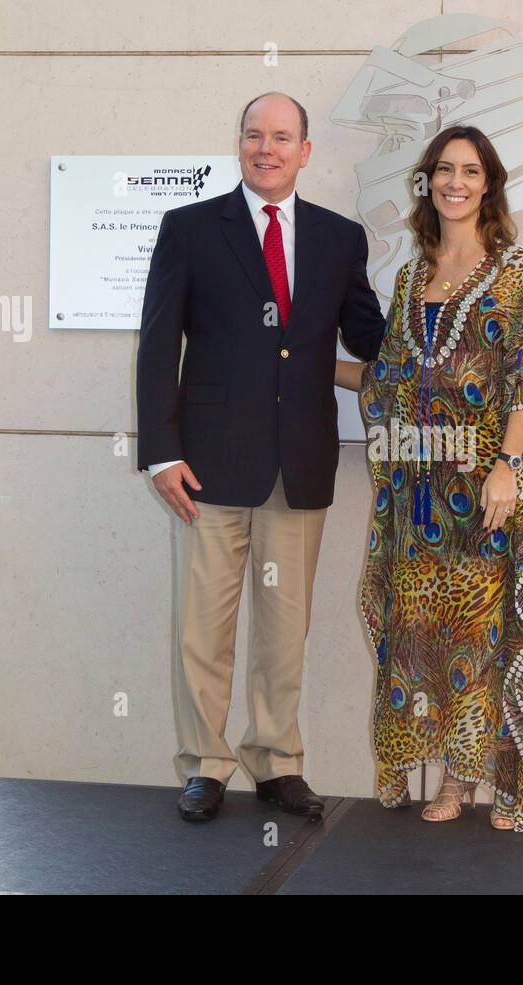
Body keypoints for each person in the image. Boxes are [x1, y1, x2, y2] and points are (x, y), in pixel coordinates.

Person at [136, 92, 386, 823]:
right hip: (207, 469)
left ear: (306, 151)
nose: (266, 148)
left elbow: (370, 340)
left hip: (299, 465)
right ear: (239, 144)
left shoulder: (341, 239)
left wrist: (440, 294)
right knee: (203, 630)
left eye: (281, 137)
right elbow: (158, 349)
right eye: (254, 135)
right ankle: (206, 766)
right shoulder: (189, 230)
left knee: (286, 629)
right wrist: (160, 454)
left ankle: (278, 763)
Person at [336, 125, 523, 832]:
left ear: (490, 184)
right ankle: (442, 768)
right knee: (420, 637)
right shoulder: (410, 278)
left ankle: (467, 780)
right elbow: (390, 382)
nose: (454, 182)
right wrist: (304, 362)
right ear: (427, 181)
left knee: (477, 637)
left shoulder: (518, 271)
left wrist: (506, 465)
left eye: (469, 171)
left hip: (483, 496)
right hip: (416, 497)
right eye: (443, 169)